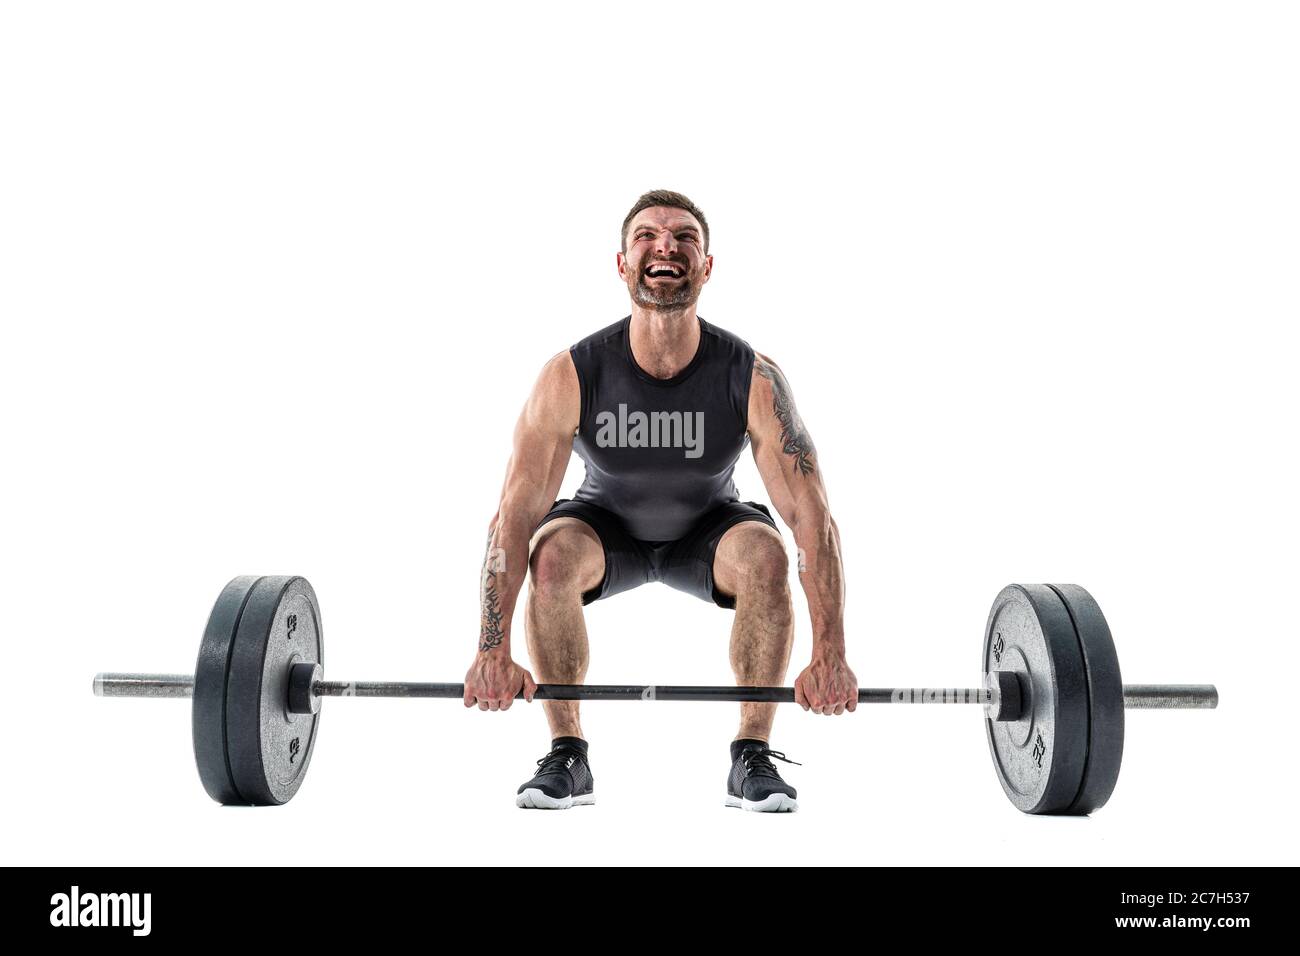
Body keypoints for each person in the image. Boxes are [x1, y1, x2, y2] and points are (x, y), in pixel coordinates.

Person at [463, 189, 857, 812]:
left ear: (706, 266)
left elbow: (814, 520)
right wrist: (491, 650)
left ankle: (751, 755)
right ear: (622, 264)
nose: (665, 246)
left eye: (684, 238)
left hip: (710, 529)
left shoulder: (752, 376)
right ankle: (568, 752)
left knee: (767, 556)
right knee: (551, 554)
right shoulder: (571, 373)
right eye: (646, 236)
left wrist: (830, 653)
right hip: (604, 528)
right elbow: (513, 516)